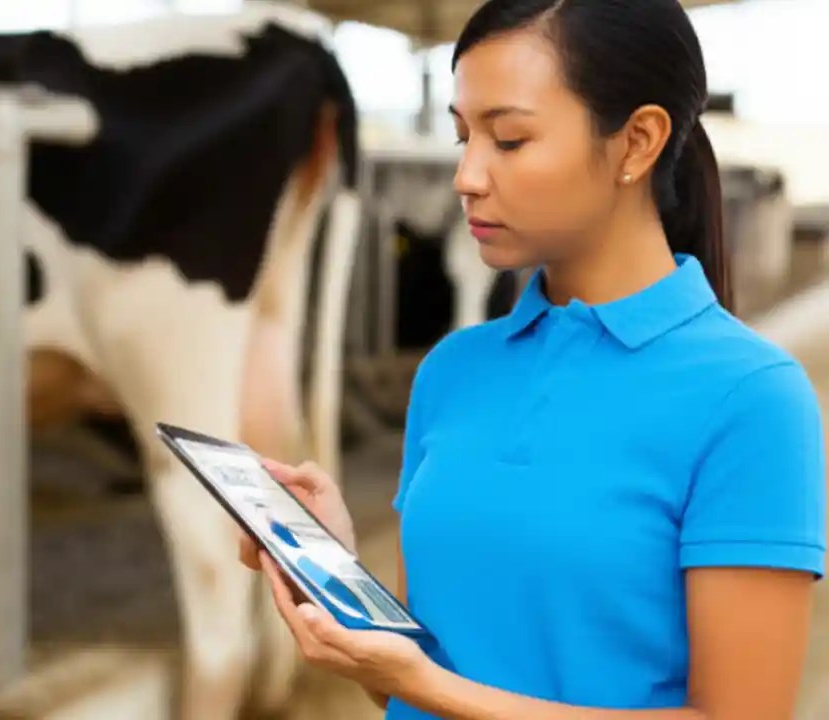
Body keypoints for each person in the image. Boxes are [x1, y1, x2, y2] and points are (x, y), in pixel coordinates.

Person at [239, 0, 827, 717]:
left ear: (638, 142)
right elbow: (422, 683)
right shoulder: (452, 371)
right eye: (462, 138)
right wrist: (335, 574)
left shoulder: (751, 398)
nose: (467, 176)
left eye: (509, 140)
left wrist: (427, 684)